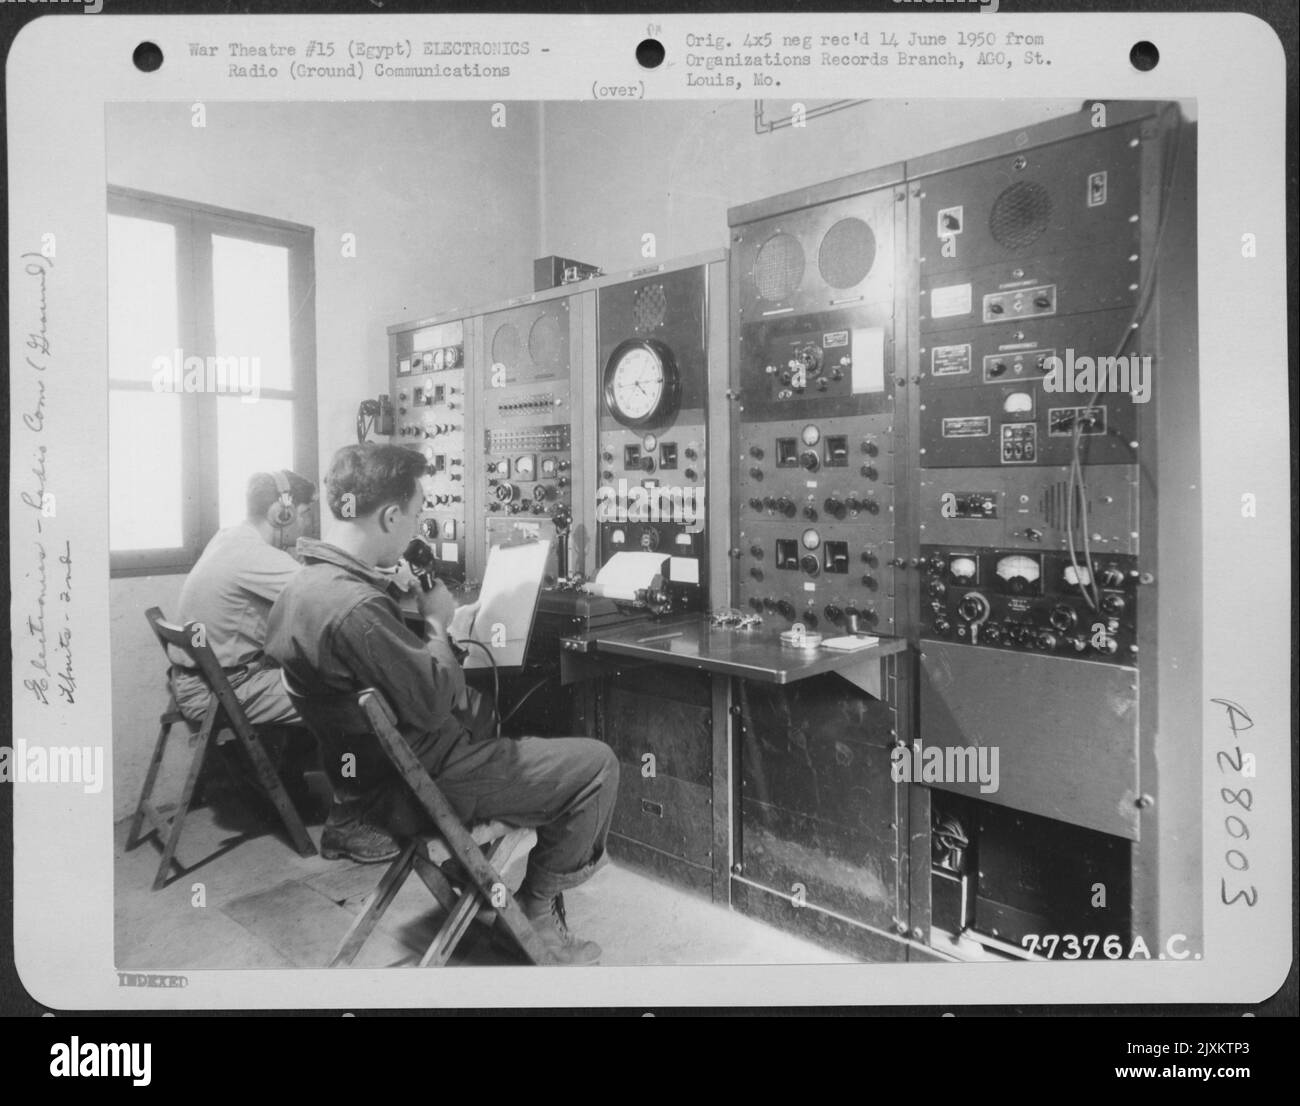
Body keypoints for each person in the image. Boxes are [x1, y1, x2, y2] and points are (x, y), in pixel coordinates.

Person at [264, 444, 619, 965]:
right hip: (424, 785)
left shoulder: (303, 588)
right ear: (389, 515)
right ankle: (537, 912)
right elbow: (433, 704)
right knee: (597, 765)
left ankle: (480, 887)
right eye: (414, 514)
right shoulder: (358, 609)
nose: (414, 528)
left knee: (499, 722)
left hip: (366, 789)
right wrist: (438, 623)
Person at [169, 469, 400, 864]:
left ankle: (292, 787)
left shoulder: (230, 538)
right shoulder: (253, 555)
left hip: (199, 680)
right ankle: (346, 827)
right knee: (356, 700)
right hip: (219, 691)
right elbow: (327, 595)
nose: (308, 523)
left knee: (310, 668)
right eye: (307, 513)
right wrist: (388, 577)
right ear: (283, 511)